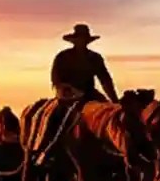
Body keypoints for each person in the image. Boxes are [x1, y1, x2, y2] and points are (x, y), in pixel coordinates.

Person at [33, 23, 119, 166]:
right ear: (74, 40)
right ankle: (46, 148)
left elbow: (105, 80)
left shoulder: (95, 58)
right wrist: (69, 91)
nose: (82, 42)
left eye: (84, 39)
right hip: (68, 95)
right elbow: (56, 80)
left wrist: (114, 101)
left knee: (108, 116)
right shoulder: (62, 57)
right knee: (55, 116)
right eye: (80, 39)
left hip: (90, 94)